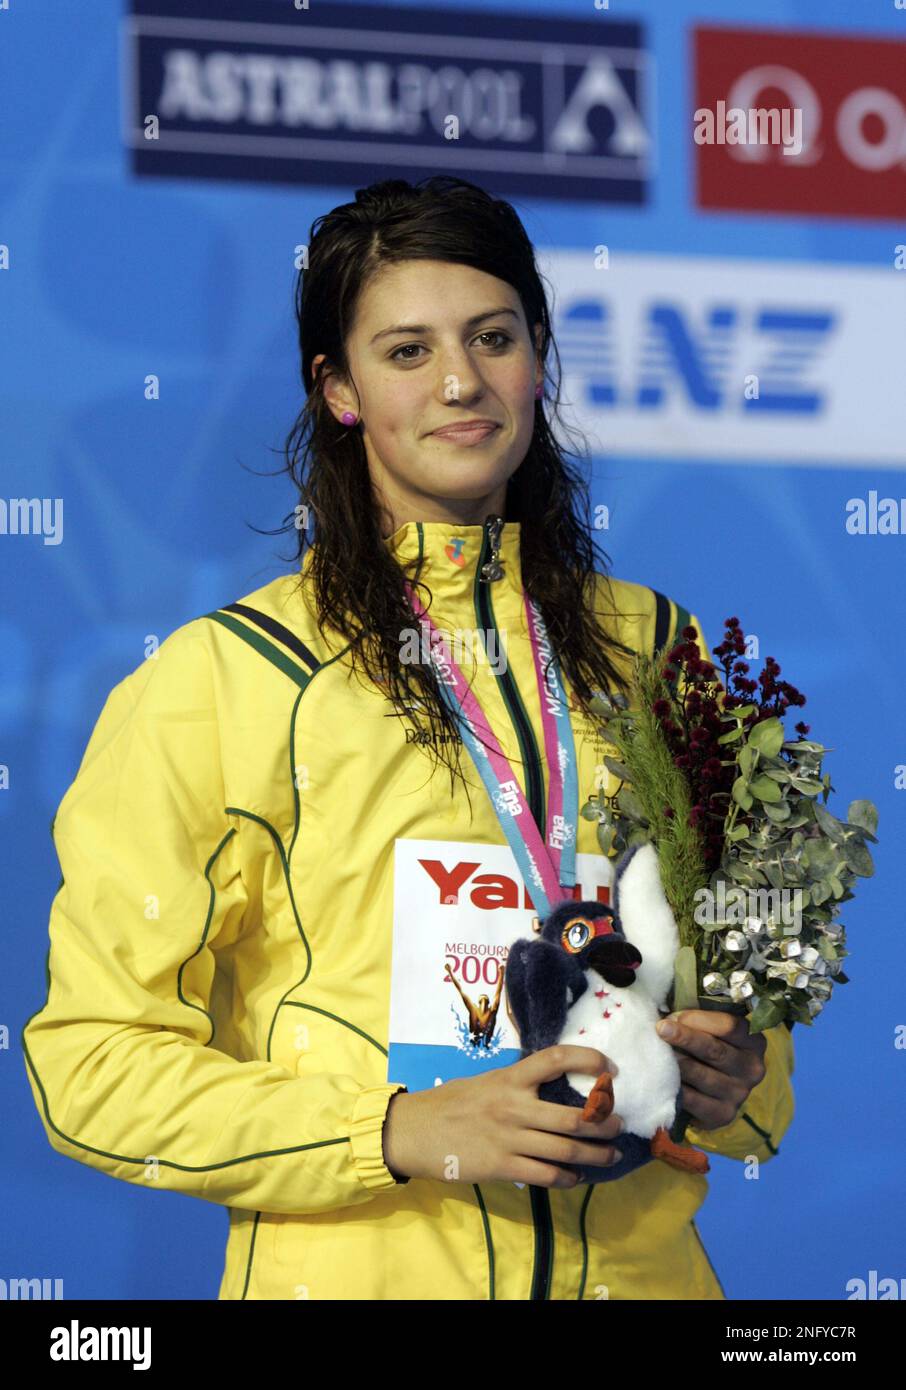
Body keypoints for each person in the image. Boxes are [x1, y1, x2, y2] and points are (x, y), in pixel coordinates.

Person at [22, 176, 794, 1301]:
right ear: (337, 390)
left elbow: (749, 998)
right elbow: (88, 1065)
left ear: (539, 358)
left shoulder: (661, 649)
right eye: (405, 351)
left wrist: (737, 1081)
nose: (459, 382)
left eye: (494, 337)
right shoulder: (227, 679)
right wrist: (393, 1129)